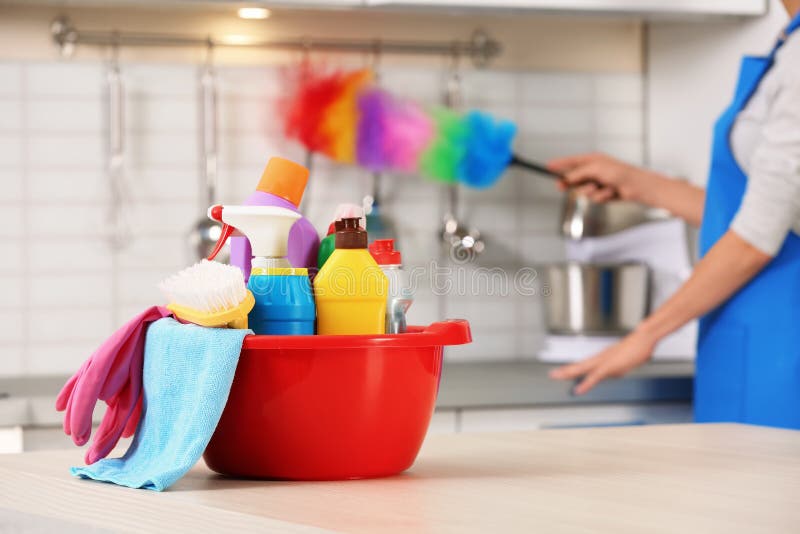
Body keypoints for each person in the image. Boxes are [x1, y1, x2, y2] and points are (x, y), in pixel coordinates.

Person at [547, 1, 800, 430]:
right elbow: (753, 212)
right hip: (747, 335)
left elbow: (754, 240)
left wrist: (646, 334)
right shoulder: (786, 45)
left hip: (781, 346)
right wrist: (636, 183)